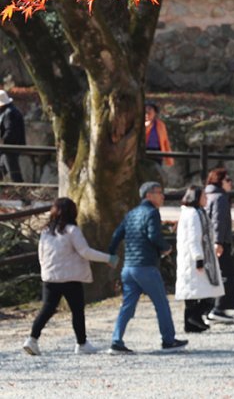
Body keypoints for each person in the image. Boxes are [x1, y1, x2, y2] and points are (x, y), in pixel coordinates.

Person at [23, 197, 117, 356]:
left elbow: (41, 254)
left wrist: (45, 270)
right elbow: (85, 252)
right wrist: (108, 258)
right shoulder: (72, 230)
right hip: (70, 277)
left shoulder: (46, 231)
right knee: (77, 310)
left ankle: (32, 339)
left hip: (50, 276)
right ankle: (81, 343)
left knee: (47, 309)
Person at [108, 182, 188, 353]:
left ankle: (116, 341)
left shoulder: (131, 214)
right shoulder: (152, 213)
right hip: (146, 267)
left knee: (127, 306)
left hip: (128, 268)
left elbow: (116, 235)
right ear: (148, 195)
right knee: (161, 304)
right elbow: (153, 235)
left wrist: (111, 254)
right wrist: (165, 248)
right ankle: (168, 340)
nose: (163, 196)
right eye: (159, 193)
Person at [175, 185, 224, 333]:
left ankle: (191, 324)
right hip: (196, 258)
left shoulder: (195, 212)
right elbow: (193, 238)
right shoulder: (193, 215)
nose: (206, 198)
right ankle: (195, 317)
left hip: (193, 257)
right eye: (203, 196)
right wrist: (199, 258)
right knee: (208, 292)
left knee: (192, 293)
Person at [203, 167, 234, 323]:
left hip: (206, 243)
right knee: (228, 275)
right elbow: (218, 221)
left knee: (213, 275)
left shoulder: (207, 196)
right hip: (219, 242)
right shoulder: (220, 198)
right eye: (228, 180)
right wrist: (218, 242)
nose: (230, 183)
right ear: (220, 181)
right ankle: (218, 309)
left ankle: (209, 309)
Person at [0, 90, 26, 183]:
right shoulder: (11, 111)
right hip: (9, 148)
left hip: (9, 148)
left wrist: (2, 142)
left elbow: (10, 131)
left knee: (14, 174)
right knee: (3, 169)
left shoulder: (9, 113)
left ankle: (22, 195)